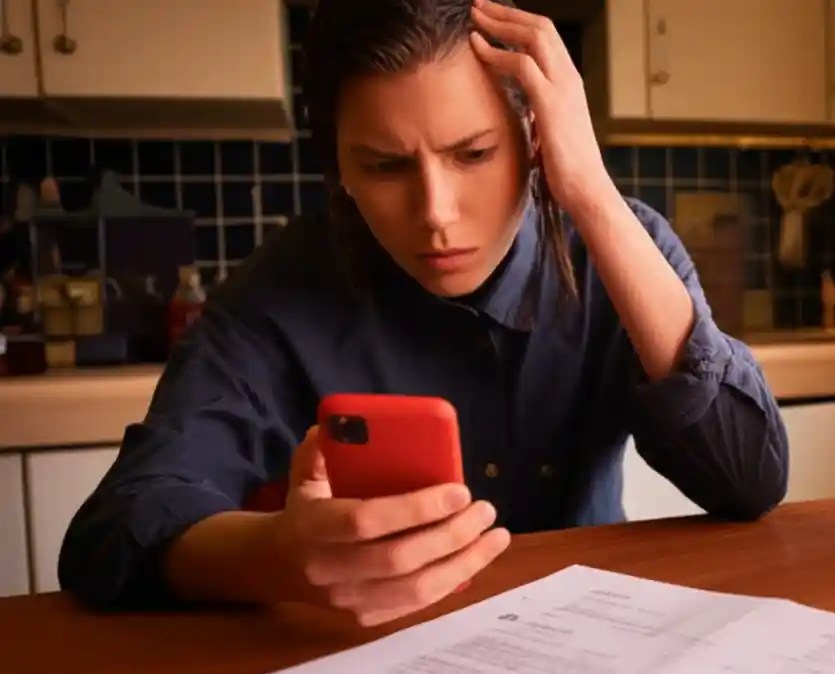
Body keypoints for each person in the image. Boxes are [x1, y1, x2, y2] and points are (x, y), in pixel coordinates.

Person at [57, 0, 788, 627]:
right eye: (384, 165)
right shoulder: (278, 292)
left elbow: (749, 479)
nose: (436, 214)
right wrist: (271, 556)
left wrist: (591, 193)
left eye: (474, 153)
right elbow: (114, 530)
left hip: (589, 646)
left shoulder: (618, 246)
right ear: (338, 168)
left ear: (536, 138)